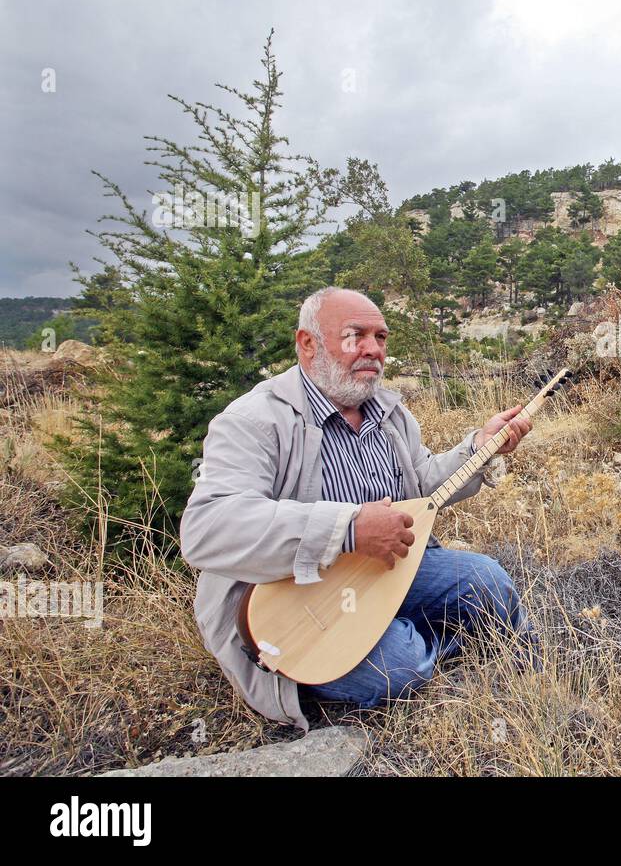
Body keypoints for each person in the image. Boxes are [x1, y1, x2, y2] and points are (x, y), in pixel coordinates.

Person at [180, 286, 537, 731]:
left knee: (489, 582)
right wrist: (347, 528)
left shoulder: (388, 413)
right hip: (298, 598)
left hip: (383, 571)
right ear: (307, 343)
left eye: (381, 337)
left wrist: (478, 448)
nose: (372, 349)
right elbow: (207, 528)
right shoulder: (253, 421)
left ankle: (403, 634)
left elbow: (422, 484)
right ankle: (372, 650)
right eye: (355, 336)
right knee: (398, 667)